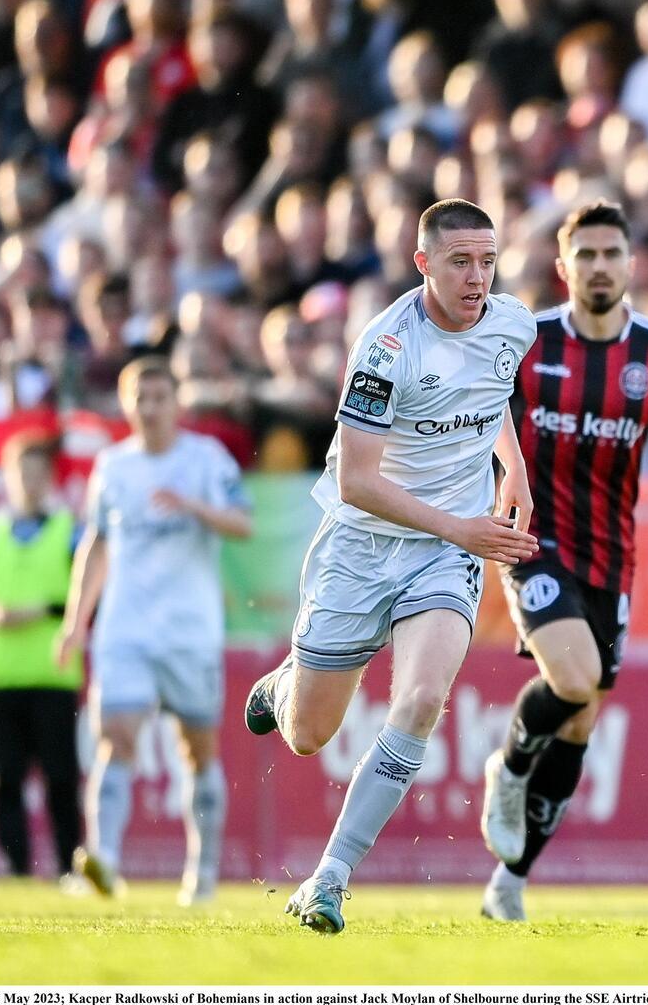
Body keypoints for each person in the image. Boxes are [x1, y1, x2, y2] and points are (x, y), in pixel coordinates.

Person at [242, 198, 541, 933]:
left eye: (487, 261)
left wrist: (515, 468)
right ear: (423, 264)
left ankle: (329, 877)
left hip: (443, 554)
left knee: (420, 699)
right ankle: (285, 684)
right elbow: (357, 480)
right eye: (459, 262)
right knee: (309, 733)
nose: (477, 277)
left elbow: (490, 390)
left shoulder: (513, 323)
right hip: (363, 546)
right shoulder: (386, 347)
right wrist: (462, 524)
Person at [476, 199, 648, 921]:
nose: (599, 266)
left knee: (581, 719)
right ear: (563, 267)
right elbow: (486, 414)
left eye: (611, 253)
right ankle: (510, 764)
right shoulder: (525, 340)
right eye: (584, 255)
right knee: (575, 678)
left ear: (631, 263)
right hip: (531, 536)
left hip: (610, 554)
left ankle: (510, 882)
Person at [55, 357, 253, 905]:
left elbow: (244, 522)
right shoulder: (112, 468)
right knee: (114, 737)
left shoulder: (205, 461)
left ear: (177, 402)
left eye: (160, 397)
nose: (150, 408)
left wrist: (195, 507)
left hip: (189, 631)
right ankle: (106, 862)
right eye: (139, 398)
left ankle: (203, 874)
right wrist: (76, 623)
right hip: (125, 628)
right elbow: (95, 547)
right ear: (126, 405)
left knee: (197, 752)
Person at [0, 430, 84, 882]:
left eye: (38, 474)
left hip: (54, 673)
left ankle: (66, 865)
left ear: (50, 479)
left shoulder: (68, 532)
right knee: (6, 778)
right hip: (2, 673)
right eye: (21, 474)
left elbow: (83, 596)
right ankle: (15, 866)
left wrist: (41, 610)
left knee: (60, 778)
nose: (29, 483)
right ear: (7, 478)